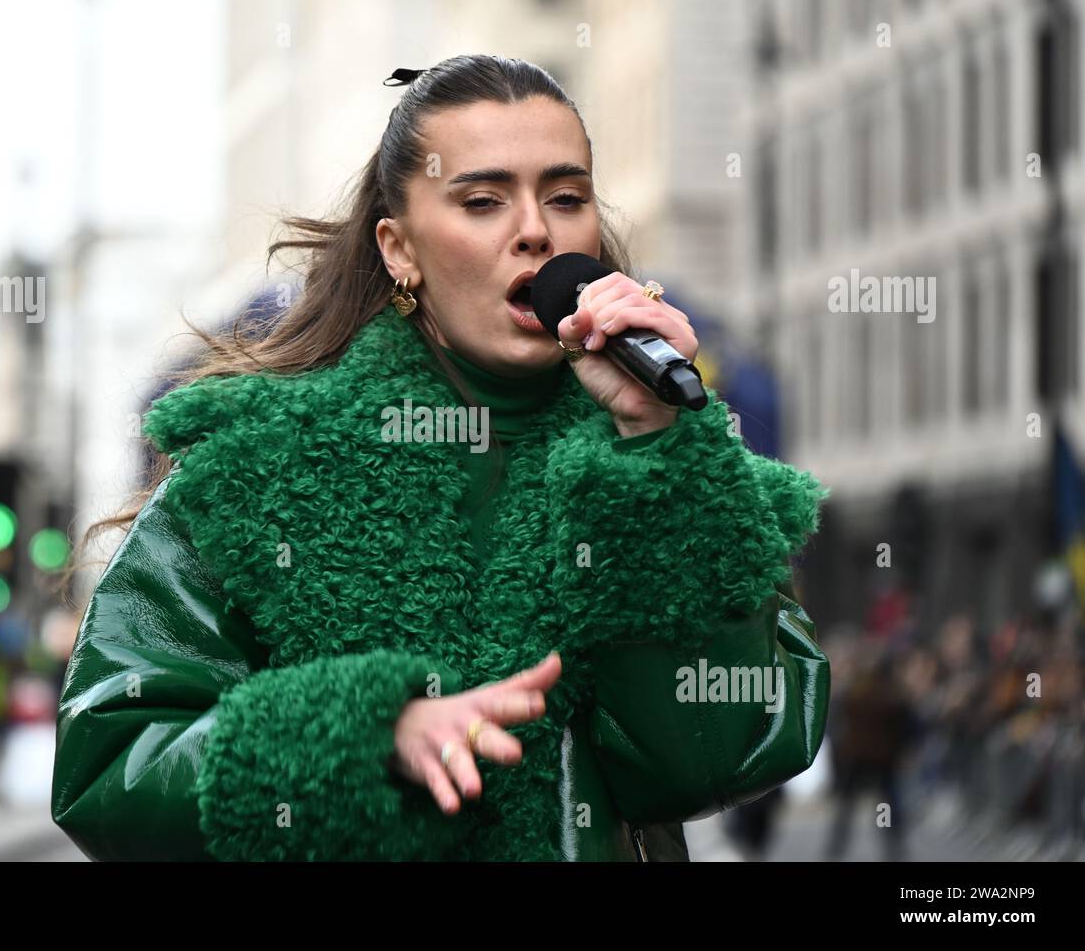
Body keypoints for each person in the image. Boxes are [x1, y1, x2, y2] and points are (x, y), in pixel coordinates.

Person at [51, 54, 829, 861]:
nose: (536, 228)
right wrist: (358, 743)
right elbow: (108, 765)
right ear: (399, 249)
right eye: (483, 200)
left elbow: (725, 752)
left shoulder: (686, 468)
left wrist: (655, 452)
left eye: (566, 197)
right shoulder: (254, 469)